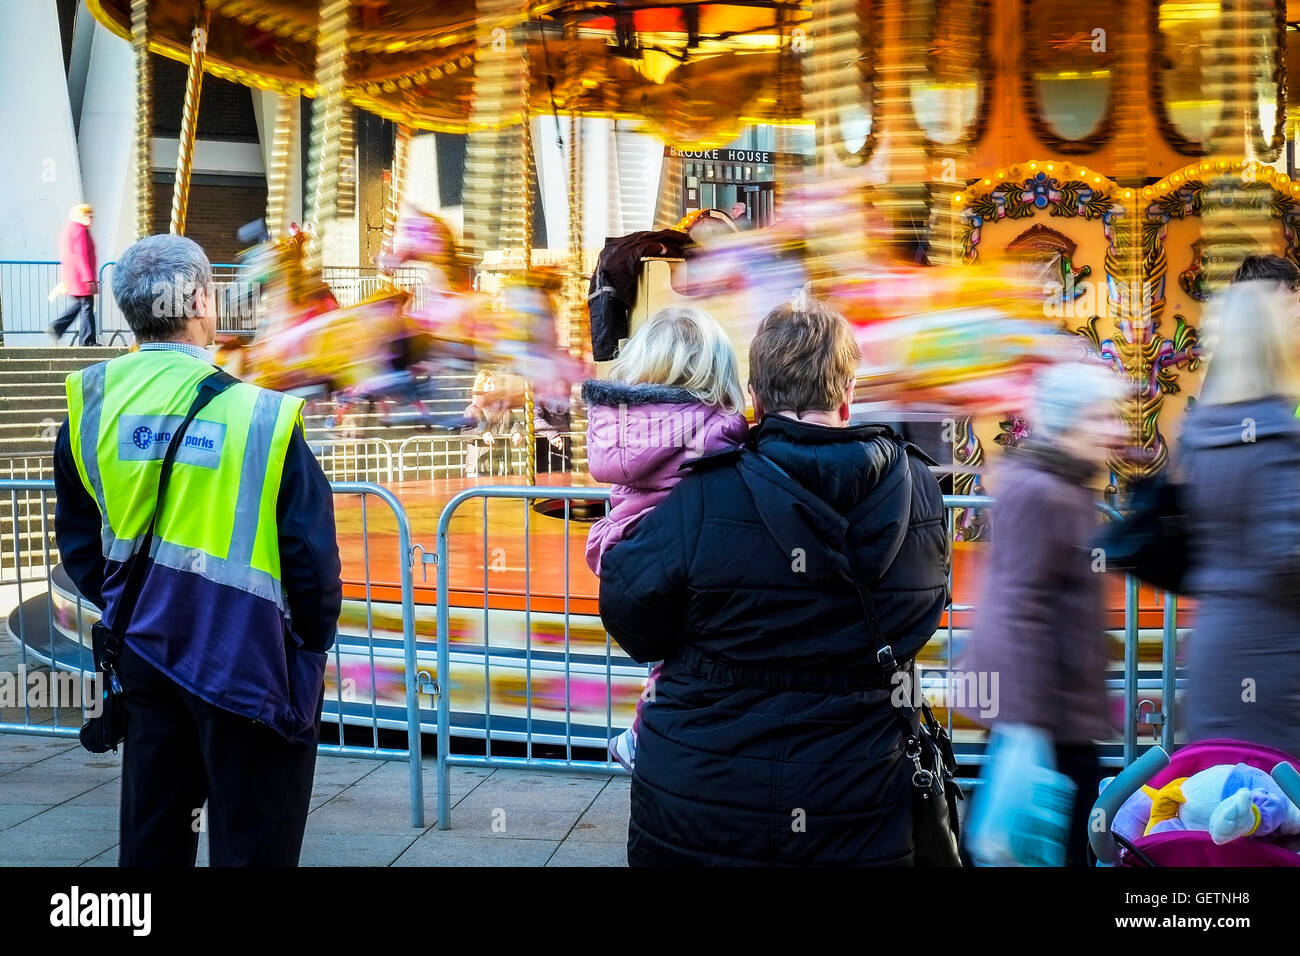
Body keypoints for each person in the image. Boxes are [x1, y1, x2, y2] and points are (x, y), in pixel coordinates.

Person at [598, 300, 949, 865]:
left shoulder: (704, 493)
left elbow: (631, 616)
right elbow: (920, 614)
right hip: (856, 791)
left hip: (705, 792)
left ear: (755, 399)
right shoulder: (916, 490)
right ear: (846, 395)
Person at [53, 234, 342, 866]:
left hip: (144, 653)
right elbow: (309, 555)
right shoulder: (260, 416)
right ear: (201, 303)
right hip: (247, 659)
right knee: (252, 843)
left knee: (154, 837)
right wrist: (311, 645)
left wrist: (126, 602)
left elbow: (78, 539)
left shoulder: (90, 404)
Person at [956, 361, 1125, 867]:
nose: (1113, 429)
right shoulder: (1043, 492)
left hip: (1056, 710)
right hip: (1044, 717)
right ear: (1068, 423)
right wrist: (1028, 726)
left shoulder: (1061, 487)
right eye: (1100, 417)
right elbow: (1019, 609)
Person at [582, 308, 750, 770]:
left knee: (668, 662)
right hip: (681, 554)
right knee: (681, 661)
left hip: (626, 549)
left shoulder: (619, 423)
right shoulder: (716, 426)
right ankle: (642, 738)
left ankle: (644, 740)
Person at [1175, 280, 1300, 756]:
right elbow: (1284, 556)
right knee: (1277, 801)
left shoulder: (1202, 432)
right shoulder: (1277, 435)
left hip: (1215, 640)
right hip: (1272, 650)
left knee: (1224, 795)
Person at [49, 204, 99, 346]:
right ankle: (87, 341)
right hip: (81, 277)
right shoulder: (79, 231)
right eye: (87, 215)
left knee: (80, 305)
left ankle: (57, 327)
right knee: (87, 307)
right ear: (79, 216)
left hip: (73, 276)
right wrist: (88, 278)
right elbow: (81, 255)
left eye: (91, 215)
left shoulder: (70, 230)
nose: (90, 218)